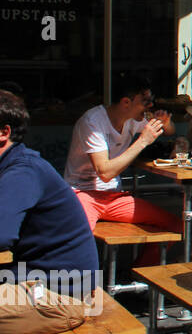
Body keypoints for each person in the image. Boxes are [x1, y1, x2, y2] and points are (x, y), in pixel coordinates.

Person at [0, 90, 100, 307]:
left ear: (3, 132)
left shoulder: (22, 171)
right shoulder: (11, 166)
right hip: (40, 280)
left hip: (65, 293)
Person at [63, 74, 181, 257]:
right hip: (82, 193)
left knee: (177, 225)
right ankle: (77, 284)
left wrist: (166, 123)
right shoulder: (92, 122)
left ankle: (143, 275)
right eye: (145, 101)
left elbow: (169, 132)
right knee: (78, 239)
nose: (150, 106)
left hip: (113, 196)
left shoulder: (135, 118)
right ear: (126, 102)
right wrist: (142, 141)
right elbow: (105, 172)